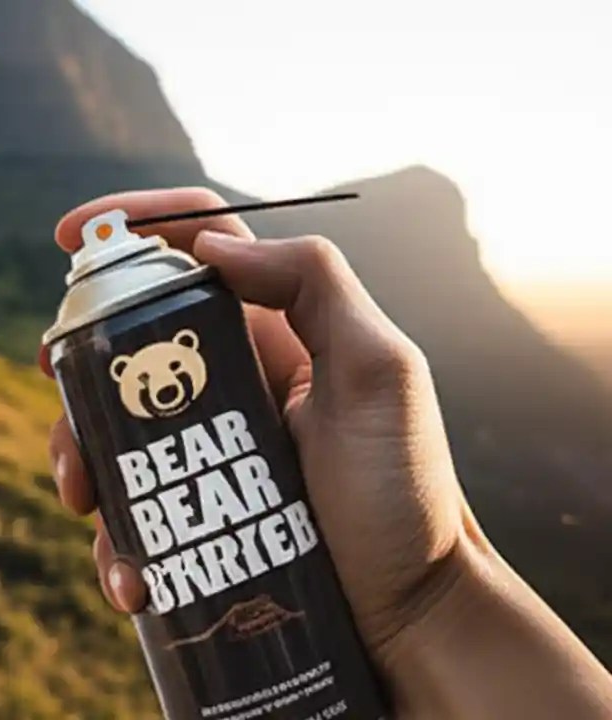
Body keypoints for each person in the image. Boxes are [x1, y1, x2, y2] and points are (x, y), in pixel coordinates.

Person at [43, 188, 612, 718]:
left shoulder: (199, 311)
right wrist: (432, 595)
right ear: (117, 371)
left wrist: (432, 584)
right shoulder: (97, 347)